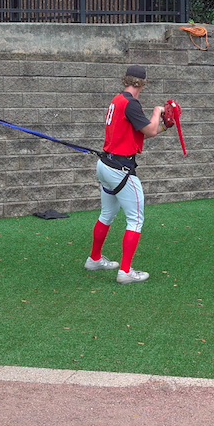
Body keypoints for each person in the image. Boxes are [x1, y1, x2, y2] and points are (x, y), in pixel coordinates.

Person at [85, 65, 170, 284]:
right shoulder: (131, 104)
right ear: (143, 83)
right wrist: (157, 113)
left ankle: (94, 259)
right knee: (135, 220)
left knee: (106, 214)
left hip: (105, 165)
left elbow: (143, 132)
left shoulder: (118, 100)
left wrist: (163, 127)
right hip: (120, 169)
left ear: (126, 81)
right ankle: (125, 272)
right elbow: (149, 129)